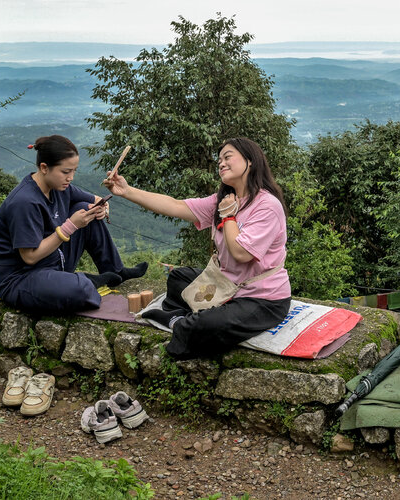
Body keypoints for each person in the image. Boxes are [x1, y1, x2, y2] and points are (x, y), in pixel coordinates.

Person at [103, 137, 290, 359]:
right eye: (219, 160)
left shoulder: (266, 206)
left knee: (209, 325)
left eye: (227, 157)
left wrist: (228, 216)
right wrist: (127, 191)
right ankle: (193, 315)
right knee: (178, 277)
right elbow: (176, 205)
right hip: (225, 284)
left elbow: (241, 254)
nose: (221, 163)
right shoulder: (224, 199)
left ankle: (178, 322)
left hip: (261, 298)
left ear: (250, 161)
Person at [0, 135, 147, 314]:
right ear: (44, 168)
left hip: (54, 261)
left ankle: (115, 272)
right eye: (66, 172)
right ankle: (88, 281)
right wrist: (70, 226)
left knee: (85, 209)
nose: (71, 178)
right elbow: (30, 257)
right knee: (79, 292)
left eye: (74, 171)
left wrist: (102, 208)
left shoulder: (59, 187)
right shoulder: (25, 202)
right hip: (22, 277)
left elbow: (96, 200)